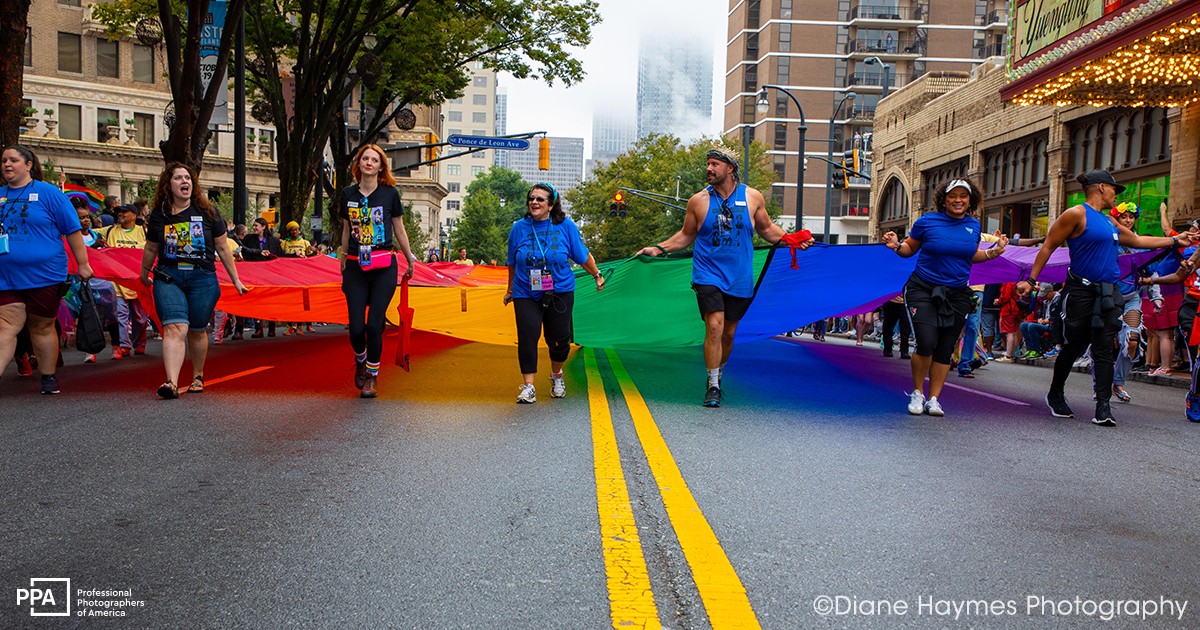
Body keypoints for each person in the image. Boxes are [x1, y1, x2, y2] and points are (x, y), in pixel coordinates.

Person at [635, 142, 814, 407]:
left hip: (740, 276)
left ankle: (719, 371)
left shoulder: (752, 197)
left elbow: (766, 228)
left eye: (714, 164)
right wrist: (659, 249)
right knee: (715, 325)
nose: (708, 168)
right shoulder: (699, 201)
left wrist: (791, 239)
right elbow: (686, 235)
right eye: (707, 164)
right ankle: (713, 384)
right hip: (707, 274)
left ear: (730, 168)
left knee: (729, 332)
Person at [1018, 170, 1195, 427]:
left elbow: (1137, 240)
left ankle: (1103, 406)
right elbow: (1048, 245)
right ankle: (1055, 393)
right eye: (1114, 190)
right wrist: (1031, 281)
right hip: (1080, 291)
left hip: (1108, 293)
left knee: (1103, 348)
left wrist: (1175, 240)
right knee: (1074, 346)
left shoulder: (1109, 222)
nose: (1116, 195)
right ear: (1101, 187)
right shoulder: (1076, 214)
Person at [882, 177, 1007, 416]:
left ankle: (934, 399)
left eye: (963, 196)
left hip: (957, 292)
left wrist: (994, 252)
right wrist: (897, 246)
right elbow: (909, 250)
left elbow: (969, 257)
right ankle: (918, 393)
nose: (958, 200)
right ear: (944, 198)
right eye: (953, 196)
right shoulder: (927, 222)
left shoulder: (973, 226)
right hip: (924, 288)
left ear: (970, 200)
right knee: (926, 342)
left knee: (945, 348)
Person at [140, 162, 248, 399]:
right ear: (169, 184)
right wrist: (144, 271)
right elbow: (151, 247)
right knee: (174, 327)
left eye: (187, 178)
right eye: (178, 178)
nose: (184, 182)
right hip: (169, 276)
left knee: (197, 330)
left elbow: (222, 247)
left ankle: (197, 375)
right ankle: (171, 382)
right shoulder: (160, 214)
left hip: (203, 278)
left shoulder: (208, 212)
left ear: (193, 184)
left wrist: (236, 280)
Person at [0, 145, 95, 395]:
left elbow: (72, 230)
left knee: (41, 326)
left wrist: (83, 264)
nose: (7, 165)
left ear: (29, 165)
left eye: (13, 160)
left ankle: (48, 377)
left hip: (45, 273)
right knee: (6, 326)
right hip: (6, 275)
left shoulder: (50, 193)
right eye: (4, 161)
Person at [503, 183, 605, 403]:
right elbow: (512, 262)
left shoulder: (565, 226)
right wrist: (510, 289)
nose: (534, 202)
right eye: (531, 198)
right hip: (526, 290)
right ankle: (528, 386)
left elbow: (582, 255)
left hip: (559, 289)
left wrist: (597, 274)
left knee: (559, 340)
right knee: (528, 335)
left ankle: (557, 375)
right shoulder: (518, 228)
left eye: (540, 199)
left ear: (551, 204)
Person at [338, 143, 416, 398]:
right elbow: (347, 229)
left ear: (381, 166)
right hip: (355, 265)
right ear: (359, 164)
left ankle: (372, 376)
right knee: (357, 327)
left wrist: (409, 258)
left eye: (374, 160)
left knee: (374, 325)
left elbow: (399, 229)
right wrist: (342, 258)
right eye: (365, 159)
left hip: (383, 265)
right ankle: (360, 359)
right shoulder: (347, 194)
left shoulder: (389, 194)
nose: (369, 163)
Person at [102, 204, 150, 358]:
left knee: (140, 318)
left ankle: (140, 344)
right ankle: (124, 345)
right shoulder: (109, 231)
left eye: (124, 212)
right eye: (118, 212)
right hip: (117, 282)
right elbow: (86, 235)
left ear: (134, 215)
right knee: (120, 315)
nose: (120, 214)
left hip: (138, 281)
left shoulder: (144, 232)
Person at [280, 221, 315, 335]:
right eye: (292, 230)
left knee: (301, 301)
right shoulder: (284, 243)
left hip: (301, 276)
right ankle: (289, 326)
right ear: (289, 232)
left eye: (296, 229)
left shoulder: (305, 242)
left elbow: (311, 257)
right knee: (289, 301)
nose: (294, 232)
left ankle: (300, 326)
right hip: (288, 275)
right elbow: (280, 256)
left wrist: (312, 251)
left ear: (299, 230)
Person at [881, 294, 911, 358]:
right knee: (888, 326)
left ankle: (904, 350)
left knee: (905, 327)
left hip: (905, 302)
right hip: (890, 300)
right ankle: (887, 348)